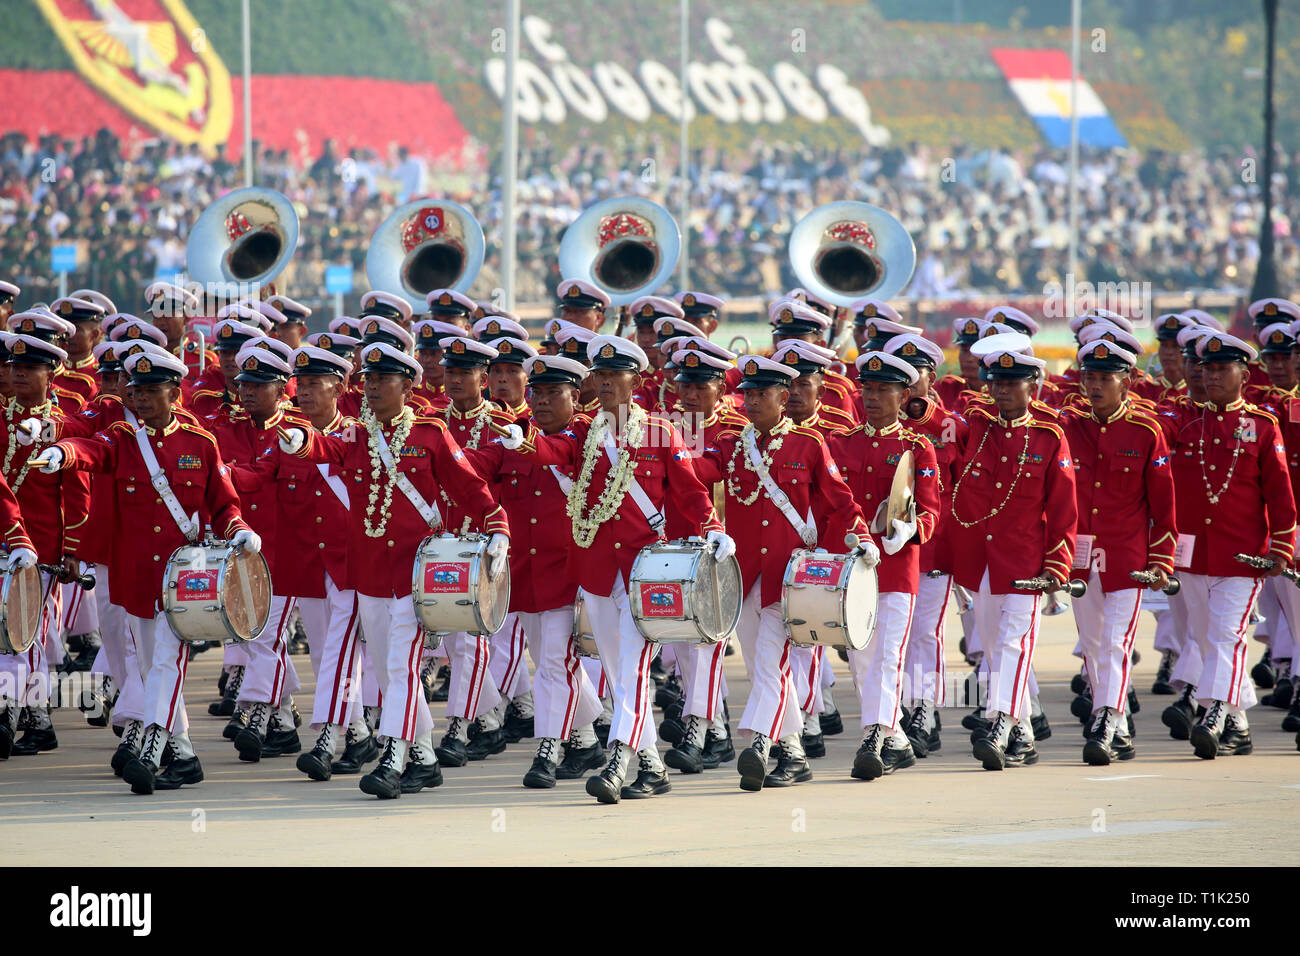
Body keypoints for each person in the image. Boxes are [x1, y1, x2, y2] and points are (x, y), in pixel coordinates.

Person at [500, 335, 731, 803]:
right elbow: (554, 452)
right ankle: (652, 766)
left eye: (613, 376)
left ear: (635, 381)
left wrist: (711, 525)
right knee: (620, 670)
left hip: (646, 571)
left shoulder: (662, 433)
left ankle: (618, 761)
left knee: (631, 664)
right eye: (598, 375)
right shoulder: (585, 432)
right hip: (599, 568)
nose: (603, 383)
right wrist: (525, 441)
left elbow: (689, 490)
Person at [280, 342, 510, 799]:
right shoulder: (359, 435)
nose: (373, 388)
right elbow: (326, 445)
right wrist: (303, 442)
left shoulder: (430, 433)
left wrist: (497, 525)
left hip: (414, 572)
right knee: (388, 670)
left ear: (407, 386)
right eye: (368, 380)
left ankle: (394, 755)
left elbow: (468, 484)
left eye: (383, 380)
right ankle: (424, 757)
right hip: (369, 573)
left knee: (402, 665)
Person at [43, 349, 259, 793]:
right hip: (136, 577)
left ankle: (153, 744)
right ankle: (184, 756)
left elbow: (223, 503)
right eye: (135, 390)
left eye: (150, 390)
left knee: (166, 659)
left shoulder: (200, 443)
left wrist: (238, 528)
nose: (139, 398)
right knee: (151, 664)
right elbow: (89, 449)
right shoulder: (121, 438)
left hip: (185, 576)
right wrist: (62, 453)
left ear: (174, 392)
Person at [694, 355, 869, 791]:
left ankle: (758, 743)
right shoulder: (731, 443)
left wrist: (861, 536)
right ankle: (792, 753)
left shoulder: (809, 444)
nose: (750, 401)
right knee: (762, 667)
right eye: (747, 394)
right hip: (742, 574)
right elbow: (697, 472)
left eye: (760, 394)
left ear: (783, 397)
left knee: (771, 660)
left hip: (787, 575)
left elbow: (838, 499)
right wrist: (655, 452)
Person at [461, 354, 607, 788]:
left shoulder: (585, 434)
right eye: (537, 392)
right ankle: (584, 739)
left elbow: (555, 451)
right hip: (524, 571)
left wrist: (517, 442)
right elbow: (471, 465)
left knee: (552, 663)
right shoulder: (512, 435)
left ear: (575, 397)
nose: (540, 401)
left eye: (552, 393)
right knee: (551, 660)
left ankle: (549, 746)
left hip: (568, 570)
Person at [1156, 331, 1296, 759]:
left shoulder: (1262, 425)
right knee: (1204, 635)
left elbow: (1280, 493)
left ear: (1243, 374)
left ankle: (1214, 710)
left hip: (1242, 552)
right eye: (1206, 368)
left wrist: (1282, 547)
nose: (1211, 376)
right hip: (1192, 553)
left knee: (1225, 635)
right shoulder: (1183, 420)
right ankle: (1238, 723)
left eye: (1222, 369)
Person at [949, 344, 1077, 770]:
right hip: (982, 562)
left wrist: (1058, 564)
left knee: (1012, 645)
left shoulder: (1048, 435)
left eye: (1010, 383)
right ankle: (1023, 734)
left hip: (1026, 562)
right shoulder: (977, 425)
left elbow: (1063, 509)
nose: (1000, 391)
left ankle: (1000, 723)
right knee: (994, 647)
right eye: (995, 383)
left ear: (1032, 386)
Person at [1060, 340, 1177, 765]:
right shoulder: (1067, 428)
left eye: (1104, 378)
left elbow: (1164, 508)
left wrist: (1161, 558)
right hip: (1078, 556)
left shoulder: (1147, 431)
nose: (1094, 386)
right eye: (1089, 377)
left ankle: (1106, 716)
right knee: (1092, 644)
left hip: (1128, 558)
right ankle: (1119, 726)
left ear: (1125, 381)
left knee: (1114, 642)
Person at [829, 350, 940, 780]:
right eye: (868, 389)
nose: (872, 397)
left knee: (887, 657)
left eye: (883, 390)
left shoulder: (918, 446)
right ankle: (895, 736)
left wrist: (912, 530)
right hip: (854, 569)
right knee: (861, 657)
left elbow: (931, 509)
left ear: (904, 395)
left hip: (896, 567)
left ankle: (874, 735)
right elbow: (834, 506)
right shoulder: (841, 443)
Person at [208, 344, 310, 762]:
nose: (245, 390)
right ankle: (284, 722)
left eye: (257, 384)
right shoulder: (230, 427)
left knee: (265, 635)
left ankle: (256, 713)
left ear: (280, 387)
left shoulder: (297, 430)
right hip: (244, 551)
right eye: (243, 383)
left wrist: (220, 473)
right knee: (253, 635)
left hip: (289, 553)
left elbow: (262, 473)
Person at [1, 334, 91, 755]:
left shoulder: (61, 425)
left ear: (50, 373)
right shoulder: (1, 417)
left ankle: (9, 712)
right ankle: (38, 719)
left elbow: (77, 494)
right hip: (6, 541)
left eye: (29, 368)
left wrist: (71, 551)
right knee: (12, 633)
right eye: (15, 367)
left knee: (27, 635)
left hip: (42, 547)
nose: (18, 373)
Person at [890, 333, 969, 756]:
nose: (905, 386)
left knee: (924, 632)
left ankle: (924, 708)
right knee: (893, 632)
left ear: (931, 377)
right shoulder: (886, 425)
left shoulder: (951, 426)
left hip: (935, 544)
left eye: (913, 375)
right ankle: (897, 708)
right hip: (892, 546)